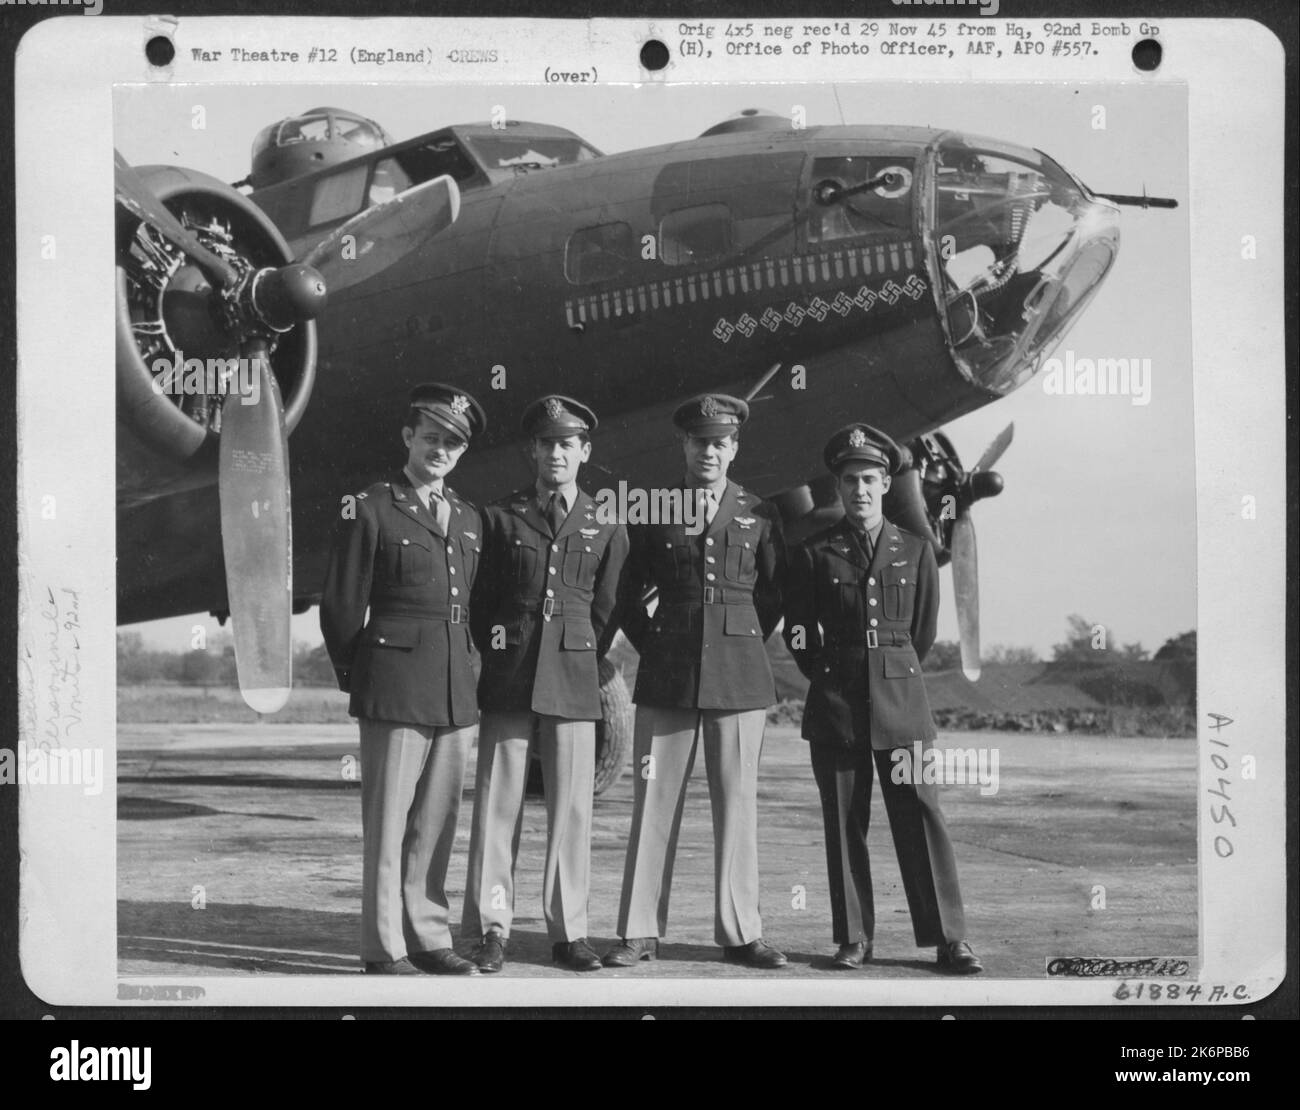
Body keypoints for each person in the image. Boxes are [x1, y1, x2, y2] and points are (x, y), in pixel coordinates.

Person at [782, 423, 983, 975]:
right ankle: (854, 937)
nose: (860, 490)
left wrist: (889, 668)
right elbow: (798, 630)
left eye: (870, 479)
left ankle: (949, 939)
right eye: (850, 480)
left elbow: (922, 633)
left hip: (902, 703)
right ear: (839, 486)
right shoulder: (814, 552)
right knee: (845, 823)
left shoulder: (916, 551)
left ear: (886, 484)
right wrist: (829, 671)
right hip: (837, 704)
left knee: (921, 816)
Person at [603, 394, 788, 970]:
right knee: (653, 803)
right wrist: (658, 642)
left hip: (740, 678)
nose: (709, 451)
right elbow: (625, 595)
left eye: (719, 442)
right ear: (683, 444)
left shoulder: (760, 512)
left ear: (734, 448)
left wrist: (740, 641)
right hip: (668, 672)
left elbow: (773, 594)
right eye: (699, 441)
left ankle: (741, 932)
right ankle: (638, 931)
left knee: (738, 805)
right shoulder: (653, 510)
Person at [319, 383, 487, 976]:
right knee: (388, 825)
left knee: (436, 824)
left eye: (453, 443)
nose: (441, 450)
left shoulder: (467, 517)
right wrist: (361, 677)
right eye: (431, 437)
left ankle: (428, 937)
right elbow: (342, 607)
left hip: (454, 687)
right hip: (393, 685)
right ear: (408, 437)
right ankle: (383, 946)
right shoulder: (370, 506)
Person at [462, 395, 629, 973]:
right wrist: (504, 649)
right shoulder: (499, 517)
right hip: (510, 678)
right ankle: (491, 930)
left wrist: (577, 654)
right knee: (497, 809)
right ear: (531, 451)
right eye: (546, 444)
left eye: (567, 444)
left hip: (573, 679)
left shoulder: (606, 524)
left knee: (572, 813)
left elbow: (606, 610)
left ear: (584, 451)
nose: (556, 453)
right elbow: (481, 605)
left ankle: (569, 933)